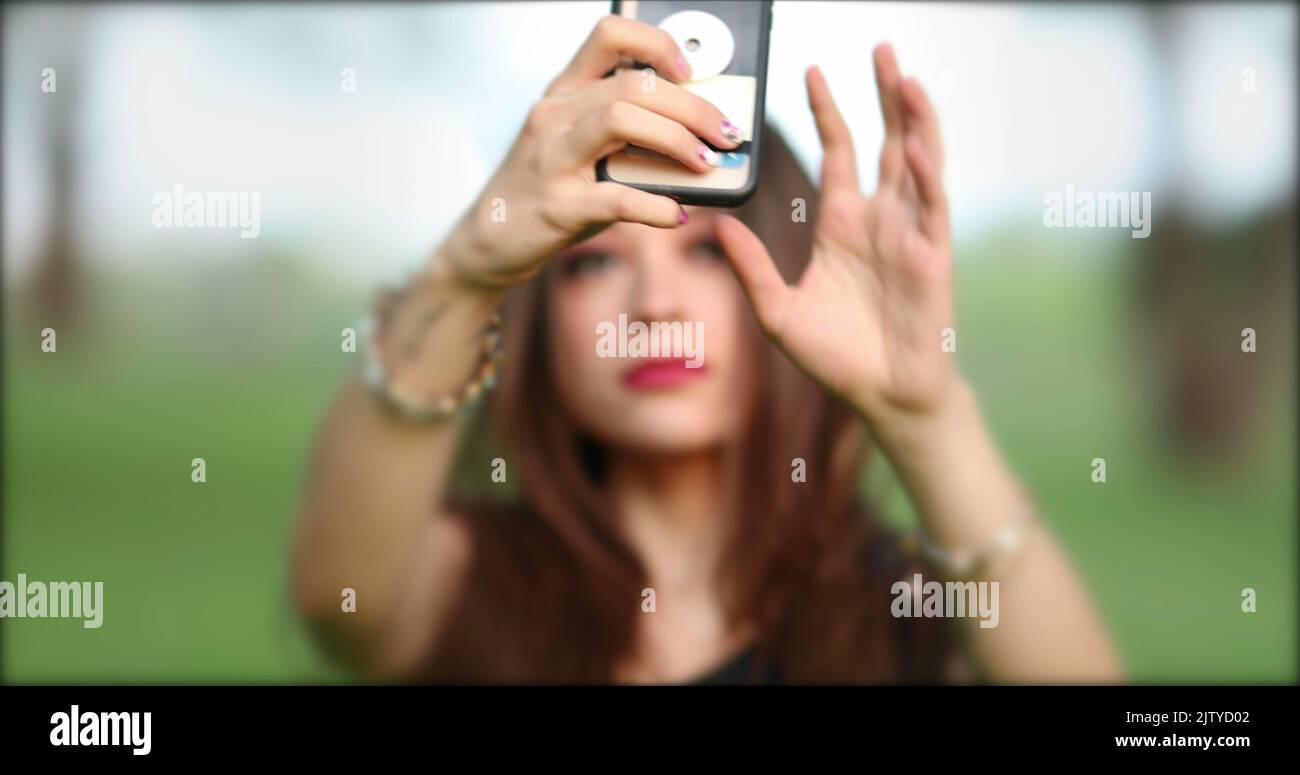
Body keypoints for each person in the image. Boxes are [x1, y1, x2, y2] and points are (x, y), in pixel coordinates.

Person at [292, 15, 1122, 683]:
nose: (655, 306)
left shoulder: (898, 606)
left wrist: (924, 414)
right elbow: (338, 598)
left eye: (707, 254)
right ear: (541, 324)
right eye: (595, 265)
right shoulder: (476, 580)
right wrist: (463, 272)